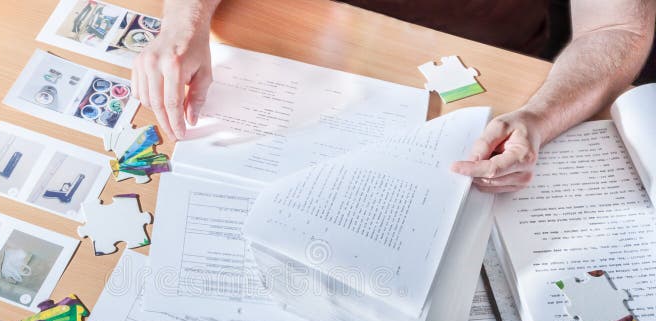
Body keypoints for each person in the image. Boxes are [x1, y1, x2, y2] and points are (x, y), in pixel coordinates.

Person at [132, 0, 656, 193]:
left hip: (485, 57)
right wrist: (186, 19)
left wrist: (539, 117)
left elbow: (615, 28)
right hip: (307, 37)